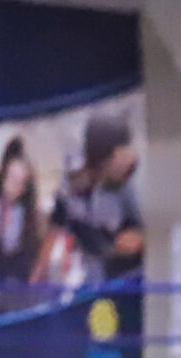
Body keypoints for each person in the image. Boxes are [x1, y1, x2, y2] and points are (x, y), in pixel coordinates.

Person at [49, 112, 143, 284]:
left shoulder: (132, 187)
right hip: (95, 280)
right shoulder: (74, 188)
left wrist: (112, 244)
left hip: (130, 282)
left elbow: (139, 239)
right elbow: (55, 231)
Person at [0, 137, 42, 309]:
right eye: (11, 179)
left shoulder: (24, 216)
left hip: (16, 288)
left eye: (19, 183)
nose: (13, 187)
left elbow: (13, 246)